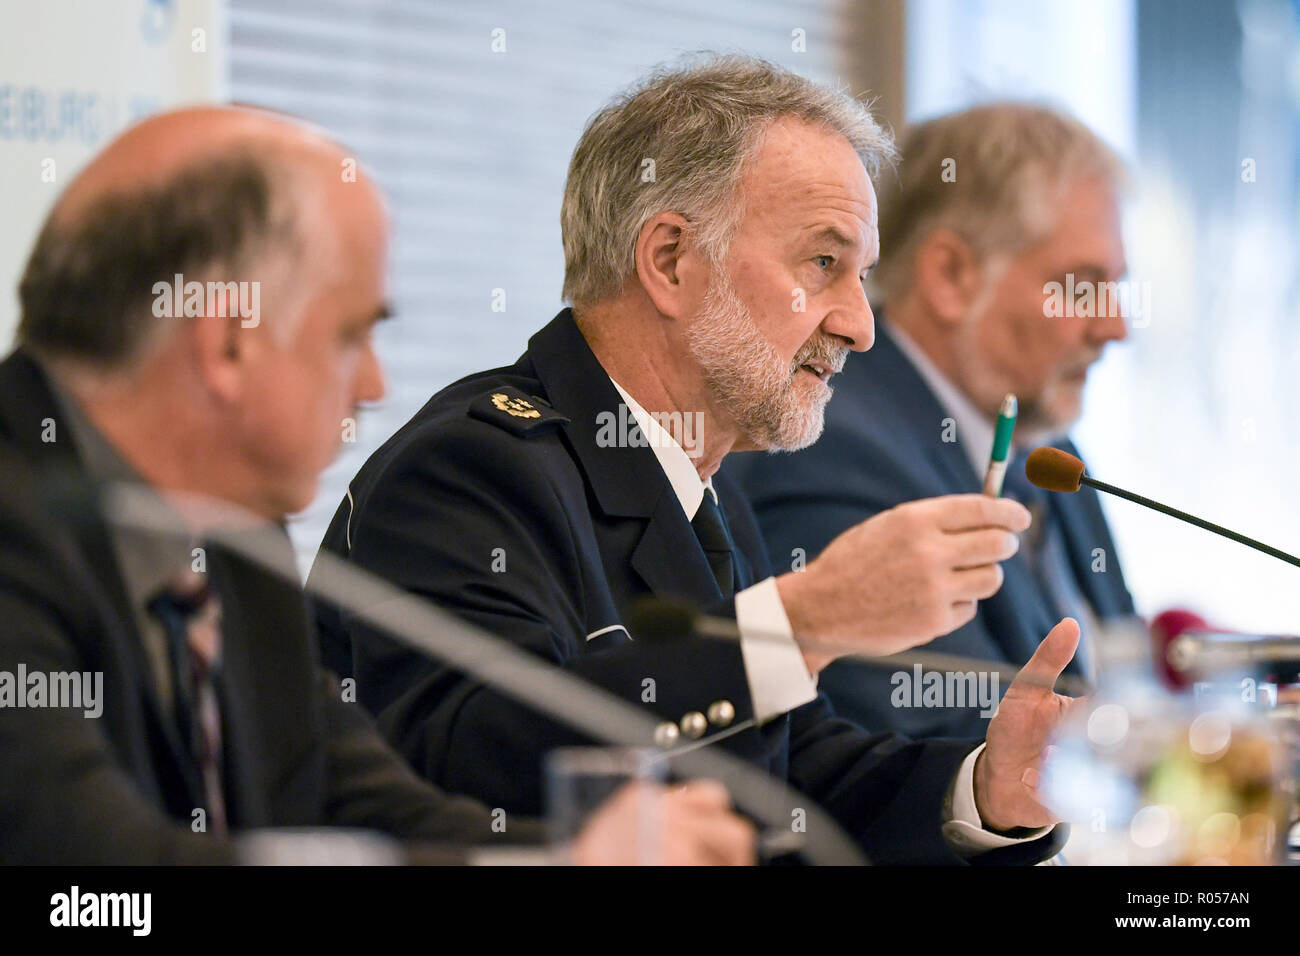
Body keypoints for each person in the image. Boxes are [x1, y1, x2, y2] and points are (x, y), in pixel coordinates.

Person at [314, 56, 1082, 865]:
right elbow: (477, 767)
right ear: (672, 261)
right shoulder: (469, 471)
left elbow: (788, 785)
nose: (860, 324)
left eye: (861, 277)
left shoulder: (704, 484)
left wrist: (988, 788)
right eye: (824, 264)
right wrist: (804, 623)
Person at [0, 105, 754, 865]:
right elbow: (89, 874)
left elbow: (351, 799)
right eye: (350, 336)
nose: (373, 383)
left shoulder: (226, 517)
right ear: (228, 342)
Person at [729, 103, 1136, 738]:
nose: (1115, 326)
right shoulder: (833, 451)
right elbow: (932, 754)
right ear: (951, 275)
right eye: (1081, 287)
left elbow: (1119, 677)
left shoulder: (1042, 443)